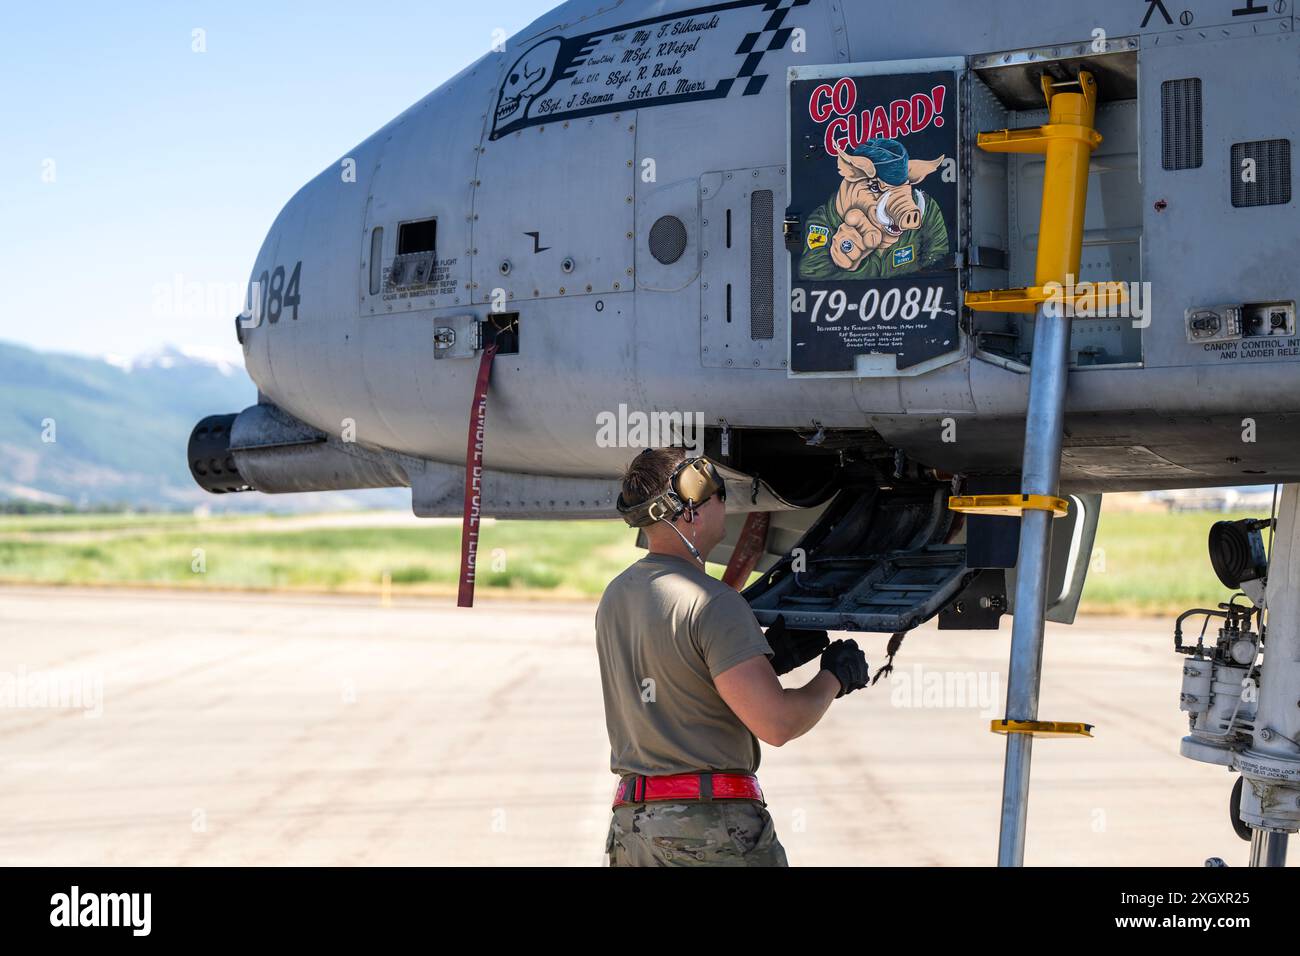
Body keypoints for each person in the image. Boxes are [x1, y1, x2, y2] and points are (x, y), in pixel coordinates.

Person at [595, 446, 870, 866]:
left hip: (634, 829)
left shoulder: (616, 595)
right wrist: (833, 677)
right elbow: (776, 724)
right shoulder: (713, 603)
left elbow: (679, 681)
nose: (727, 506)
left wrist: (769, 662)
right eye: (720, 495)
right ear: (691, 511)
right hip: (709, 829)